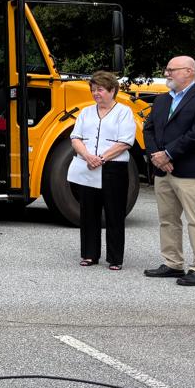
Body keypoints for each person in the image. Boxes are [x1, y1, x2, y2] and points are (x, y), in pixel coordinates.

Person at [142, 56, 195, 286]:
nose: (167, 74)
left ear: (189, 71)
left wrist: (168, 154)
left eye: (171, 70)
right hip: (163, 170)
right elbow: (149, 129)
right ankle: (173, 263)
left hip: (191, 170)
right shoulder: (161, 100)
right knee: (168, 220)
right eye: (166, 70)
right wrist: (158, 156)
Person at [67, 71, 136, 270]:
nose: (96, 93)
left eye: (100, 90)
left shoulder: (124, 112)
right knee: (88, 211)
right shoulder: (86, 112)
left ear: (112, 90)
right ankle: (89, 254)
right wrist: (88, 156)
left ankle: (115, 258)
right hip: (87, 166)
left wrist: (102, 159)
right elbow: (75, 138)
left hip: (114, 168)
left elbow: (125, 142)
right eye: (93, 90)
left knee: (114, 212)